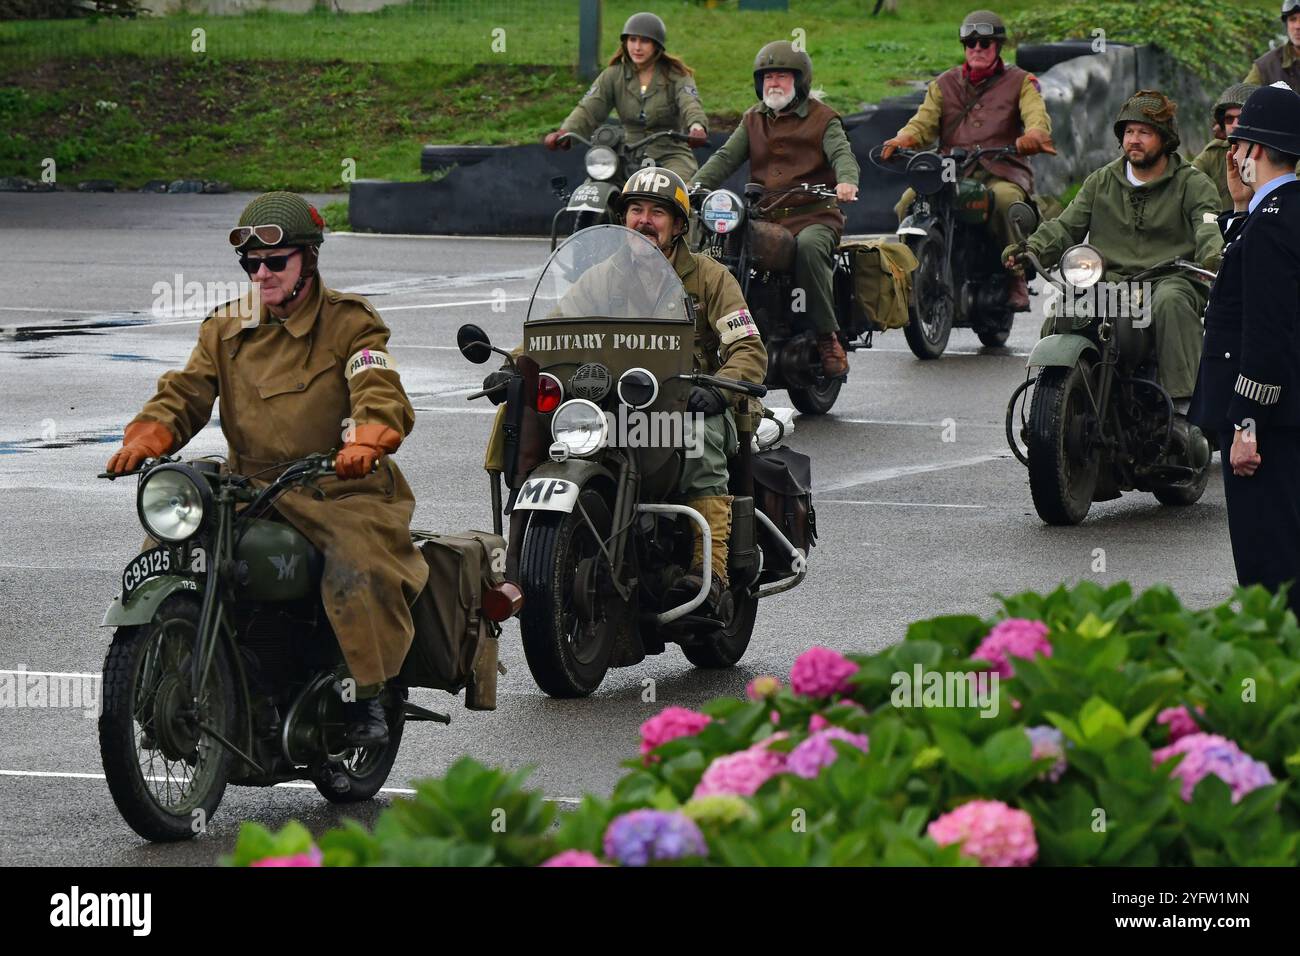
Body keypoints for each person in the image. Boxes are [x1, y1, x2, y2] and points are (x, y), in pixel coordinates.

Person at [104, 191, 427, 747]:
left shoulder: (350, 324)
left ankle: (367, 695)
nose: (262, 272)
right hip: (249, 485)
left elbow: (376, 387)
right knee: (171, 544)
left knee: (354, 560)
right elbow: (184, 393)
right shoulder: (225, 329)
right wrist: (150, 433)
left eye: (275, 261)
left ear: (308, 259)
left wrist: (368, 436)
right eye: (251, 264)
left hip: (339, 486)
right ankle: (164, 676)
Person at [485, 168, 767, 614]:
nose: (645, 220)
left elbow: (748, 347)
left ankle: (708, 573)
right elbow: (555, 331)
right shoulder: (604, 276)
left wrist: (720, 391)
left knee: (701, 439)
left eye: (658, 212)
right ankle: (531, 554)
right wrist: (512, 367)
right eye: (636, 210)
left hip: (687, 406)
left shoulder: (711, 279)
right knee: (539, 426)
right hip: (617, 405)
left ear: (678, 225)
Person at [1006, 90, 1223, 416]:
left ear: (1164, 139)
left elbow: (1207, 226)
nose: (1134, 140)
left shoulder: (1192, 184)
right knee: (1065, 308)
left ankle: (1181, 408)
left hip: (1168, 280)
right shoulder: (1101, 181)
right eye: (1128, 132)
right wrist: (1031, 248)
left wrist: (1212, 257)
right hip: (1110, 284)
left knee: (1172, 302)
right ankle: (1051, 398)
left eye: (1144, 132)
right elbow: (1065, 226)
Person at [1188, 84, 1300, 614]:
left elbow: (1265, 334)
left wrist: (1246, 425)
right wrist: (1238, 205)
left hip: (1269, 428)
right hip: (1285, 419)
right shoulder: (1278, 212)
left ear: (1256, 150)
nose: (1231, 154)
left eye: (1239, 144)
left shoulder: (1272, 226)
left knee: (1268, 567)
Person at [692, 40, 859, 378]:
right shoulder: (753, 119)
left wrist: (846, 181)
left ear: (800, 81)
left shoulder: (823, 119)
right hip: (764, 217)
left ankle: (827, 337)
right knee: (713, 246)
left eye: (782, 76)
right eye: (768, 77)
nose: (774, 83)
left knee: (809, 250)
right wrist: (691, 187)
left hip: (814, 215)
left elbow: (842, 153)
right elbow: (726, 157)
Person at [882, 9, 1055, 312]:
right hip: (951, 171)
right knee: (907, 203)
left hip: (1001, 168)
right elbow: (922, 123)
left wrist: (1034, 135)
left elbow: (1036, 115)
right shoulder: (944, 84)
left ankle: (1015, 276)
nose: (977, 48)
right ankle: (911, 276)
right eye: (970, 43)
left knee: (1005, 203)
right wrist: (902, 139)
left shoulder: (1021, 82)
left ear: (998, 47)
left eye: (984, 43)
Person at [544, 11, 708, 180]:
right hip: (626, 154)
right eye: (632, 40)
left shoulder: (677, 76)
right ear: (625, 42)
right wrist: (564, 132)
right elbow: (589, 109)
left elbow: (690, 103)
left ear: (656, 45)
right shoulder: (613, 75)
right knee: (594, 191)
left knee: (676, 191)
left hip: (670, 153)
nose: (637, 47)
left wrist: (697, 127)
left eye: (644, 41)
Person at [1191, 83, 1259, 212]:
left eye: (1241, 117)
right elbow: (1186, 181)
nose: (1234, 124)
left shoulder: (1275, 154)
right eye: (1229, 119)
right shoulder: (1214, 154)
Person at [1244, 1, 1300, 93]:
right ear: (1286, 24)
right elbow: (1240, 100)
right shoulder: (1265, 66)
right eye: (1292, 19)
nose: (1298, 26)